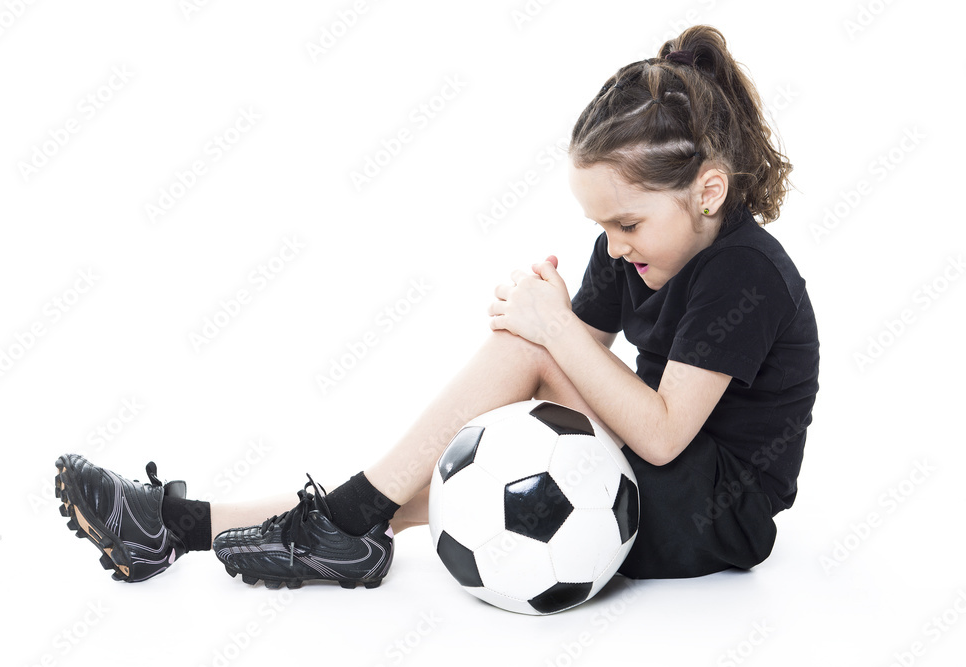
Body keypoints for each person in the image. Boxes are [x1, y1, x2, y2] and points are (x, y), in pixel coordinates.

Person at [54, 24, 819, 588]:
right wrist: (534, 323)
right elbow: (554, 385)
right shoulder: (631, 250)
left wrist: (544, 326)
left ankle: (344, 519)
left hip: (719, 510)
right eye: (601, 227)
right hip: (660, 477)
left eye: (626, 223)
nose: (613, 246)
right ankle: (186, 528)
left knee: (531, 349)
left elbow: (657, 432)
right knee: (518, 376)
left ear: (709, 190)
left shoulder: (744, 271)